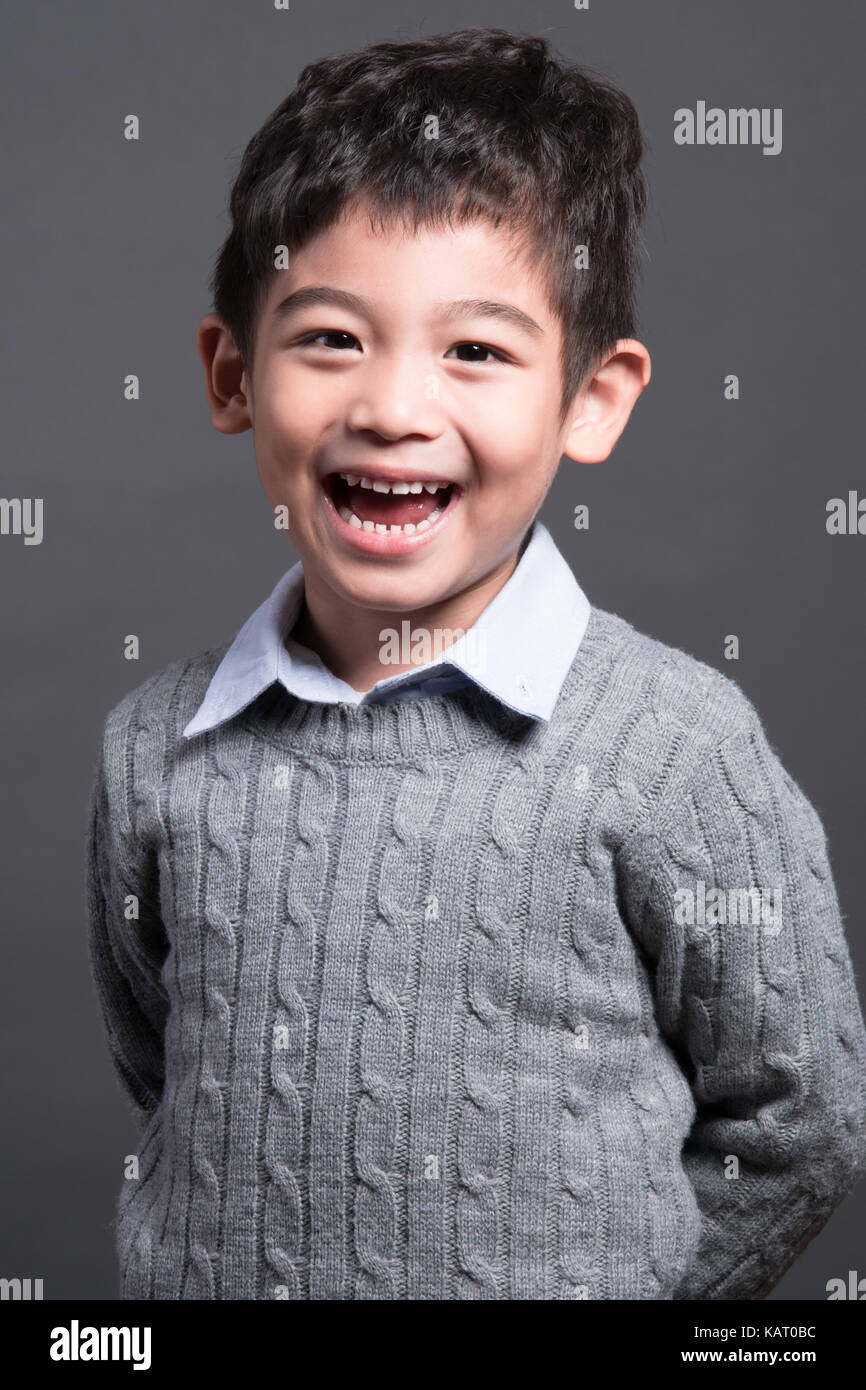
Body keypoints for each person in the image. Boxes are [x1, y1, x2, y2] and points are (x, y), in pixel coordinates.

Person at [85, 27, 866, 1300]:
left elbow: (803, 1118)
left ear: (591, 399)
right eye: (330, 337)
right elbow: (175, 1075)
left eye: (477, 351)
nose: (392, 404)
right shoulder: (151, 747)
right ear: (232, 374)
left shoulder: (674, 745)